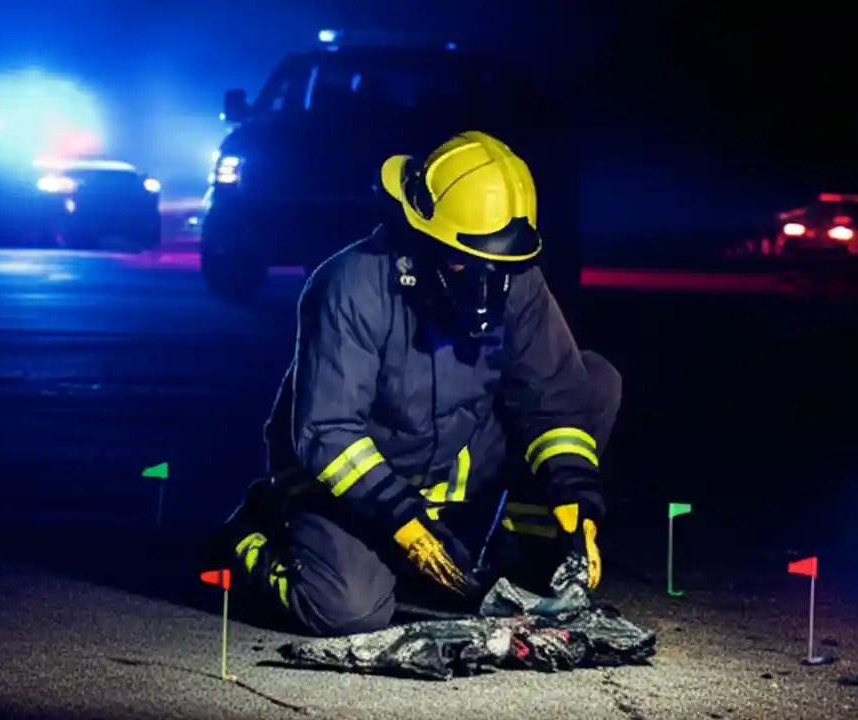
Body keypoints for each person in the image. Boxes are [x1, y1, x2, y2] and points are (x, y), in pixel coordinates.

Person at [210, 131, 621, 636]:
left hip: (447, 469)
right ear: (425, 239)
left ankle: (530, 555)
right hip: (346, 481)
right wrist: (402, 519)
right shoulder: (352, 284)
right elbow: (329, 433)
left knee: (596, 381)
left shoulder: (516, 278)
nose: (488, 283)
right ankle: (249, 537)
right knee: (348, 609)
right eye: (467, 261)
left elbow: (553, 397)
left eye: (501, 264)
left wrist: (576, 495)